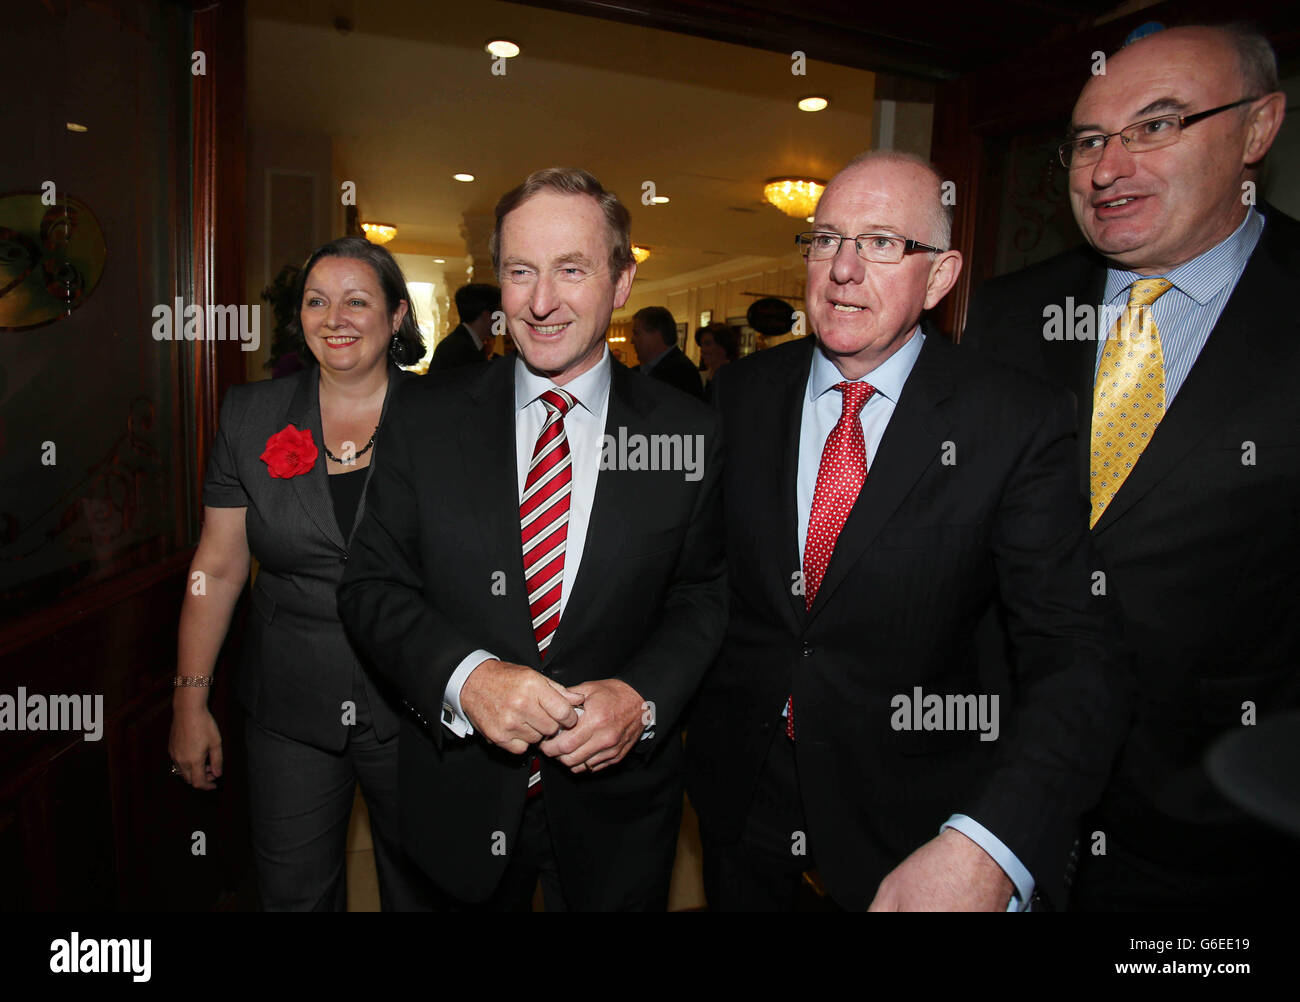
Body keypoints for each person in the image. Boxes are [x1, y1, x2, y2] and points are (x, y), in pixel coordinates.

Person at [685, 151, 1128, 912]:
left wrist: (991, 844)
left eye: (883, 243)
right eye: (826, 240)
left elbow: (1072, 653)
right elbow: (705, 583)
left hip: (915, 828)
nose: (844, 269)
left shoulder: (1015, 419)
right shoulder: (741, 393)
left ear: (942, 275)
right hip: (743, 805)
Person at [962, 23, 1296, 910]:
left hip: (1226, 836)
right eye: (1087, 140)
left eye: (1156, 125)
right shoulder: (1006, 314)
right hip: (998, 810)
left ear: (1258, 128)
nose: (1108, 168)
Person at [337, 168, 726, 911]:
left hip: (619, 811)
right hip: (458, 796)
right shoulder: (424, 417)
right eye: (520, 272)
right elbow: (369, 587)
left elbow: (701, 595)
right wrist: (467, 678)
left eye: (571, 270)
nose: (541, 303)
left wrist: (643, 699)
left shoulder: (688, 431)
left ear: (621, 281)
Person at [168, 236, 435, 910]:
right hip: (289, 702)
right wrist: (189, 699)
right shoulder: (249, 414)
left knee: (432, 890)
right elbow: (219, 566)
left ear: (397, 315)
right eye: (317, 301)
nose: (334, 317)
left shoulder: (450, 416)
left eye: (357, 301)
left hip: (420, 702)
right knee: (292, 895)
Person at [631, 305, 704, 399]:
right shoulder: (637, 371)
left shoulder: (681, 373)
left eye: (636, 333)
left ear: (656, 335)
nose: (632, 340)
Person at [430, 283, 500, 371]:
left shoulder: (462, 344)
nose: (502, 319)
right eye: (499, 313)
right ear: (486, 315)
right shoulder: (459, 351)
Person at [695, 321, 740, 401]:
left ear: (724, 345)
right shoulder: (700, 377)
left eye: (708, 344)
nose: (702, 350)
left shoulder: (738, 378)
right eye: (701, 345)